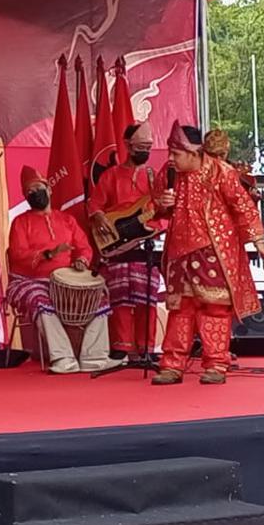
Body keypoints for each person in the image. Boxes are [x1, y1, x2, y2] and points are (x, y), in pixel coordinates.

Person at [150, 122, 264, 385]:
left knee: (215, 308)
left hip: (213, 249)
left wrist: (258, 240)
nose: (170, 159)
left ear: (194, 153)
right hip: (179, 251)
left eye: (176, 153)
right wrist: (161, 204)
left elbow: (242, 206)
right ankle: (172, 364)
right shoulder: (169, 173)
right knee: (179, 308)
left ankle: (216, 363)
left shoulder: (221, 173)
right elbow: (157, 206)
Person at [7, 166, 122, 374]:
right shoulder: (20, 222)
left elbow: (83, 247)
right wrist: (48, 254)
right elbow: (17, 255)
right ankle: (63, 358)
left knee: (100, 297)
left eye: (38, 188)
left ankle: (94, 357)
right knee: (40, 300)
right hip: (29, 281)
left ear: (49, 189)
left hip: (67, 279)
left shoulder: (66, 220)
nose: (35, 194)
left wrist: (80, 261)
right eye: (29, 192)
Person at [87, 122, 167, 363]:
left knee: (147, 298)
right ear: (128, 146)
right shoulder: (111, 175)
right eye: (141, 146)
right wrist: (99, 215)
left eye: (149, 146)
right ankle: (121, 347)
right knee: (120, 297)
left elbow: (163, 212)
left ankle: (146, 348)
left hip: (145, 241)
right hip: (117, 243)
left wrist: (160, 219)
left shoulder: (155, 178)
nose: (145, 150)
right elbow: (95, 204)